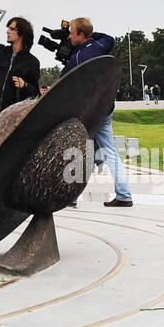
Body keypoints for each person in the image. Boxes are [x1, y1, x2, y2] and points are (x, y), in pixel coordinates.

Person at [65, 17, 132, 207]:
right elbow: (109, 38)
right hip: (106, 109)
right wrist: (91, 35)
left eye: (71, 32)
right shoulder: (100, 46)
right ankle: (122, 195)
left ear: (81, 34)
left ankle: (72, 197)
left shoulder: (76, 59)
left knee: (85, 154)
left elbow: (62, 85)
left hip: (90, 114)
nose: (69, 36)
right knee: (98, 153)